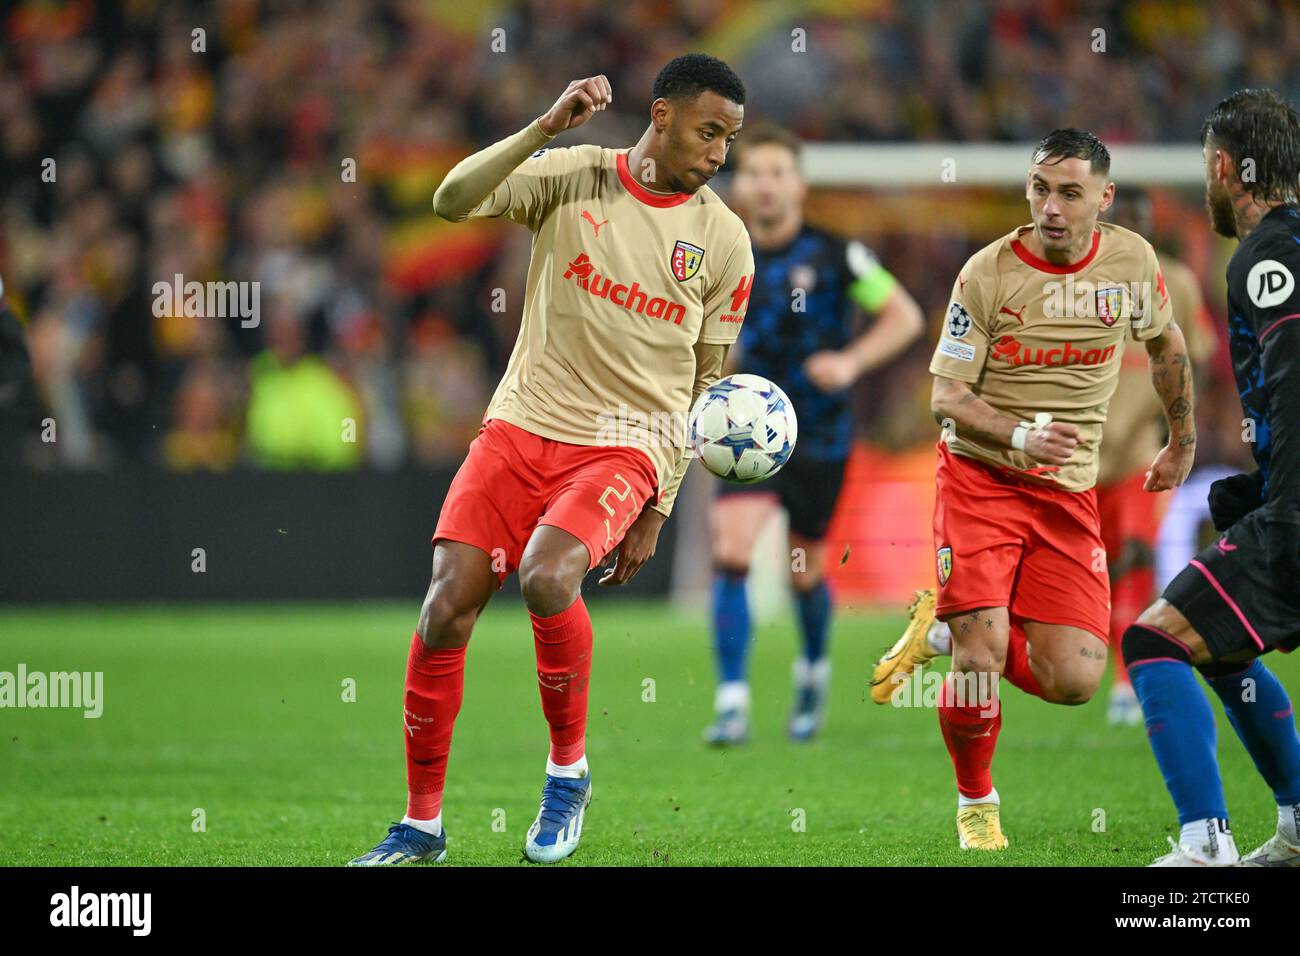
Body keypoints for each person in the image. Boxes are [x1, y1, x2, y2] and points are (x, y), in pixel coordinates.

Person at [350, 54, 754, 865]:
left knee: (545, 576)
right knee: (444, 610)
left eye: (729, 140)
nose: (718, 154)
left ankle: (568, 772)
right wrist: (541, 128)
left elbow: (709, 386)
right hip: (519, 426)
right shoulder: (572, 174)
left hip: (625, 443)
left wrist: (662, 504)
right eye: (709, 131)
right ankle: (421, 825)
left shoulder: (724, 241)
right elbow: (449, 200)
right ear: (662, 113)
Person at [871, 129, 1195, 851]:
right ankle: (976, 803)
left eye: (1070, 192)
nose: (1051, 207)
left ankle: (947, 622)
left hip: (1067, 494)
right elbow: (946, 398)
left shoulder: (1132, 262)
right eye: (1040, 189)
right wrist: (1018, 435)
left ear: (1104, 199)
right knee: (981, 660)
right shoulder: (984, 275)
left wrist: (1183, 439)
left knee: (1076, 679)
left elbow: (1167, 344)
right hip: (981, 479)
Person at [1122, 89, 1300, 867]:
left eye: (1205, 168)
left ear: (1225, 167)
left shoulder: (1269, 255)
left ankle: (1203, 843)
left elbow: (1295, 380)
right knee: (1221, 647)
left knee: (1153, 639)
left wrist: (1281, 502)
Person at [703, 125, 923, 745]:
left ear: (798, 184)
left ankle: (812, 671)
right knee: (731, 550)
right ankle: (731, 700)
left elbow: (904, 316)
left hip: (820, 432)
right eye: (753, 172)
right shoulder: (721, 252)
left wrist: (850, 362)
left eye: (777, 172)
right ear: (738, 183)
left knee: (805, 570)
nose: (764, 184)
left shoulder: (836, 254)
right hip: (742, 433)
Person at [1097, 191, 1218, 725]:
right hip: (1075, 458)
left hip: (1140, 456)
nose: (1129, 233)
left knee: (1134, 560)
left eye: (1137, 224)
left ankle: (1127, 680)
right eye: (1119, 224)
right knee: (1091, 569)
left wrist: (1176, 428)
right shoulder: (1075, 285)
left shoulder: (1177, 284)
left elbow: (1199, 362)